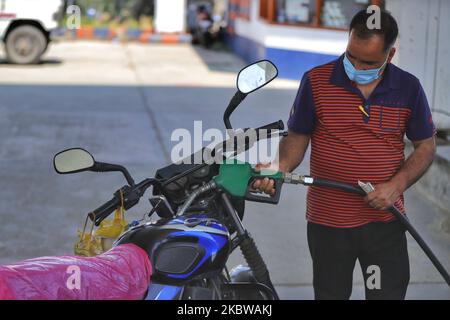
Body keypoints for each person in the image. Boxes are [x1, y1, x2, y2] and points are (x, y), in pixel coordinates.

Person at [253, 9, 436, 300]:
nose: (357, 67)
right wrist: (279, 166)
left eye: (369, 62)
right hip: (328, 222)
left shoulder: (408, 88)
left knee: (385, 295)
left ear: (390, 55)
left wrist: (396, 186)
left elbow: (426, 146)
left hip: (384, 223)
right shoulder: (316, 81)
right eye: (351, 56)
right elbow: (298, 137)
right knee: (331, 295)